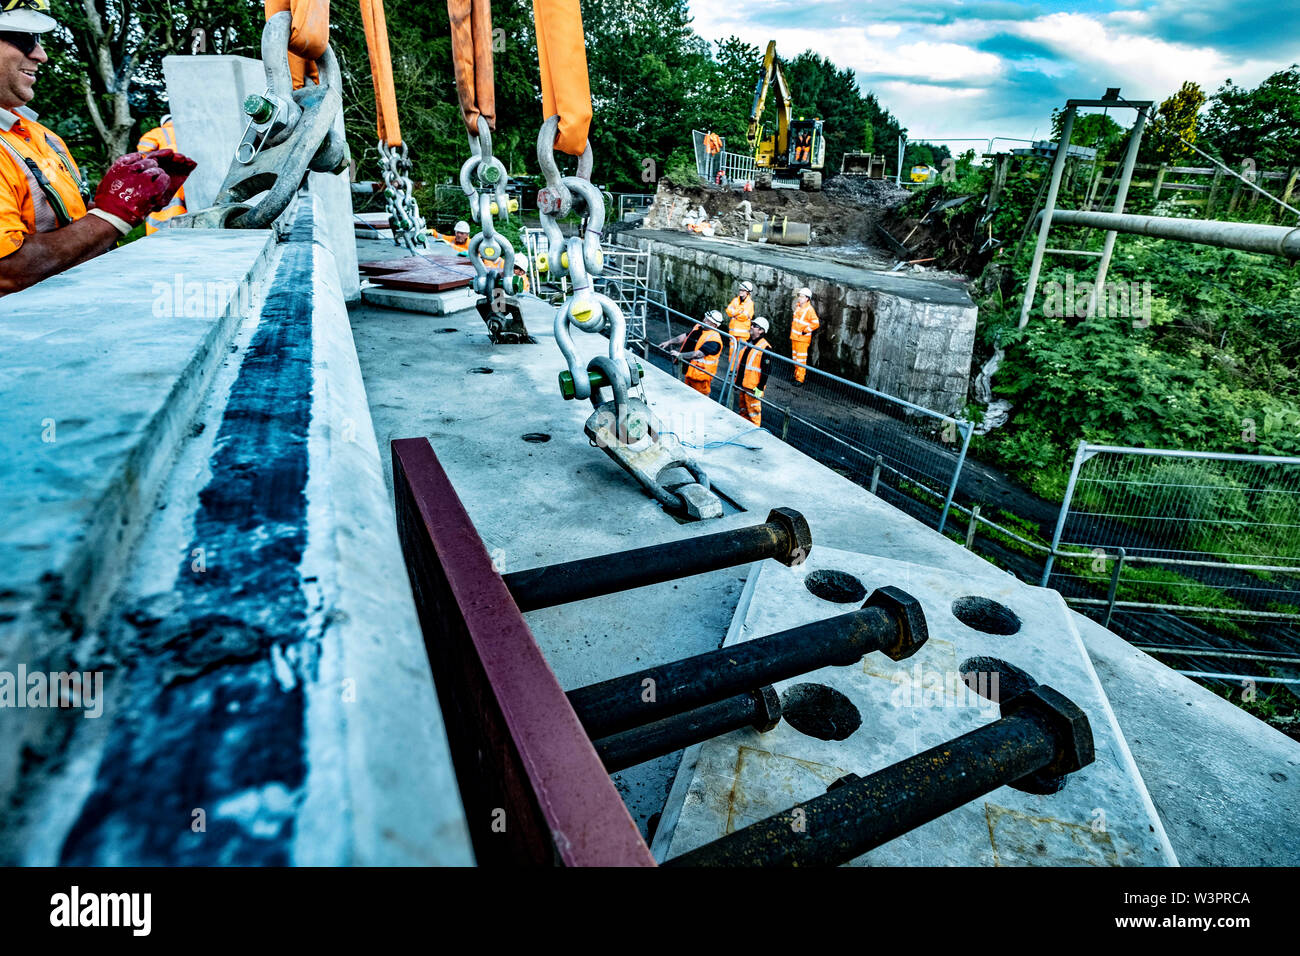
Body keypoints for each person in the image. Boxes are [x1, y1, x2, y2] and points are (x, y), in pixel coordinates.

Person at [0, 2, 194, 296]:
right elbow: (9, 271)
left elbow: (62, 229)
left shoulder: (39, 135)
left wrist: (126, 200)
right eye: (24, 39)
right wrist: (111, 215)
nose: (41, 55)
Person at [136, 115, 186, 234]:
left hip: (168, 179)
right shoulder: (189, 130)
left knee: (165, 213)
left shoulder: (157, 133)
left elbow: (143, 154)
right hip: (191, 176)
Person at [659, 308, 723, 397]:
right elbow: (685, 336)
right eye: (705, 318)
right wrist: (669, 342)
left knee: (700, 399)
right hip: (691, 371)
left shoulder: (714, 339)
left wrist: (680, 355)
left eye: (708, 321)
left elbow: (699, 354)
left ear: (715, 325)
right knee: (686, 395)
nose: (704, 321)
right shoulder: (699, 327)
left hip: (701, 376)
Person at [735, 314, 772, 426]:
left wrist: (760, 388)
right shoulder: (749, 343)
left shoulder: (765, 347)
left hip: (753, 388)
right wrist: (737, 382)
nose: (751, 327)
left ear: (761, 331)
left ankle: (755, 434)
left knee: (754, 414)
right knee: (743, 410)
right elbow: (743, 364)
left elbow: (766, 370)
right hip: (744, 384)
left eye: (754, 326)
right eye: (752, 324)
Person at [789, 286, 819, 384]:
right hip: (795, 337)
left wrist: (805, 330)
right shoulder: (799, 307)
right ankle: (796, 375)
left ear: (807, 298)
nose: (799, 298)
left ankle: (800, 379)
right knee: (795, 359)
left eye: (802, 297)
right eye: (799, 296)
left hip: (802, 339)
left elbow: (816, 323)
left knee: (801, 360)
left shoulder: (809, 310)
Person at [724, 279, 755, 372]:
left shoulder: (750, 303)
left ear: (748, 292)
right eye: (740, 290)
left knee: (740, 352)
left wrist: (735, 312)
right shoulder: (735, 300)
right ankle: (731, 369)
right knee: (732, 351)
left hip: (742, 334)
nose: (740, 292)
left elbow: (744, 316)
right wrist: (738, 312)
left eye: (743, 290)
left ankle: (738, 370)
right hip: (733, 332)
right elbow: (728, 311)